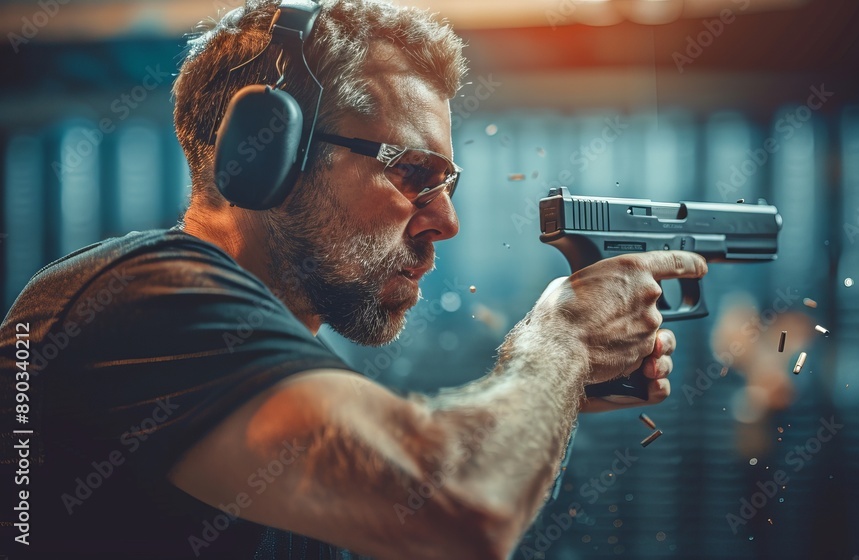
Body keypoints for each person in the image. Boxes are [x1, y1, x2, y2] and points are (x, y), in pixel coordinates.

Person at [0, 0, 707, 558]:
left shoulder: (275, 361)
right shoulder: (143, 301)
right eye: (413, 172)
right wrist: (562, 345)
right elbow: (463, 510)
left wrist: (549, 401)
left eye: (448, 181)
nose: (446, 221)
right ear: (272, 148)